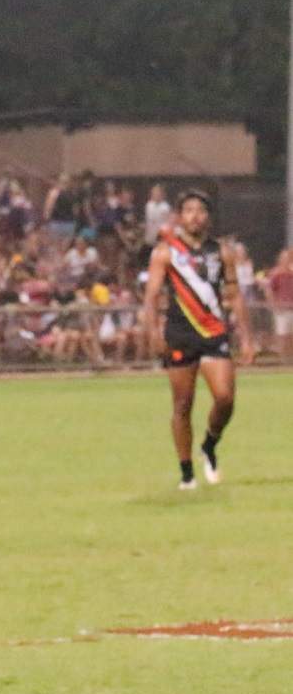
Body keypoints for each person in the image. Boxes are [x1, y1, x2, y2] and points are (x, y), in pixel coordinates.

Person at [140, 190, 254, 490]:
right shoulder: (165, 252)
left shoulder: (222, 251)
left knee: (225, 398)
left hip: (214, 330)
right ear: (179, 216)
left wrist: (246, 337)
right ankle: (187, 472)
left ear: (208, 217)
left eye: (200, 210)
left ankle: (210, 444)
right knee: (182, 404)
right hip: (180, 332)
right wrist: (153, 332)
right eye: (188, 210)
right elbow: (151, 296)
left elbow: (234, 295)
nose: (194, 216)